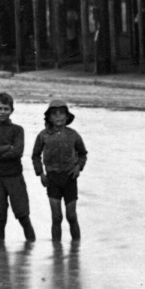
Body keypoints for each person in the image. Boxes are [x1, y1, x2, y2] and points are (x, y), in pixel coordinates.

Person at [0, 92, 35, 245]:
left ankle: (31, 247)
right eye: (0, 109)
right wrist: (6, 147)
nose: (3, 112)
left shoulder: (18, 130)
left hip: (15, 178)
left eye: (6, 109)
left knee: (24, 217)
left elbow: (17, 152)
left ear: (12, 111)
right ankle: (0, 260)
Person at [31, 98, 88, 244]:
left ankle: (76, 248)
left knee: (71, 216)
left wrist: (78, 167)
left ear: (67, 116)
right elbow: (35, 156)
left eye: (61, 113)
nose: (58, 116)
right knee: (56, 217)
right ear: (49, 117)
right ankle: (57, 253)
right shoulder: (43, 135)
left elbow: (83, 154)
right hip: (52, 180)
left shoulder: (73, 134)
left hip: (69, 178)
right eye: (54, 114)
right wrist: (41, 174)